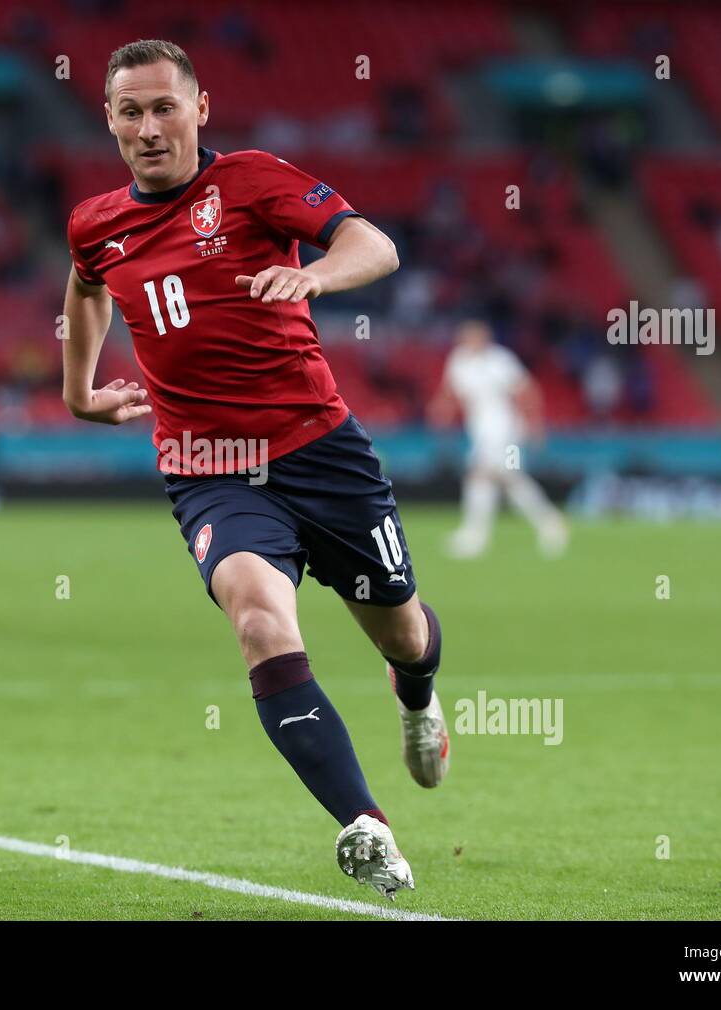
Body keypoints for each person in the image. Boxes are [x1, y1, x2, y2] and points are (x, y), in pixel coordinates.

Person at [62, 40, 447, 900]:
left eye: (166, 107)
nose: (150, 127)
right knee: (259, 622)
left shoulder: (255, 181)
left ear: (201, 108)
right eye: (132, 111)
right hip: (208, 466)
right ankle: (366, 825)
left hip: (320, 449)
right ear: (110, 121)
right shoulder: (96, 222)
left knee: (402, 630)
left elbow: (374, 245)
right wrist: (78, 390)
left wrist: (314, 278)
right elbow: (86, 284)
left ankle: (416, 694)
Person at [431, 318, 569, 558]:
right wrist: (441, 410)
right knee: (506, 479)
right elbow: (449, 392)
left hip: (506, 429)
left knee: (481, 475)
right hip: (480, 431)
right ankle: (549, 523)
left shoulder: (500, 360)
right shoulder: (459, 361)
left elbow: (527, 391)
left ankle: (475, 536)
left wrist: (535, 425)